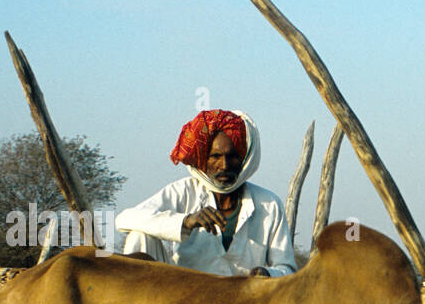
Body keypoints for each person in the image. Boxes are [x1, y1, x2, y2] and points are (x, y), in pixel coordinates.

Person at [115, 109, 294, 276]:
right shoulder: (183, 191)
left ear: (244, 160)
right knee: (140, 235)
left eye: (232, 157)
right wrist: (186, 221)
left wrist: (267, 274)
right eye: (215, 156)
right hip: (186, 297)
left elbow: (286, 268)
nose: (224, 166)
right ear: (203, 159)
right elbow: (124, 219)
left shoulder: (269, 204)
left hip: (245, 301)